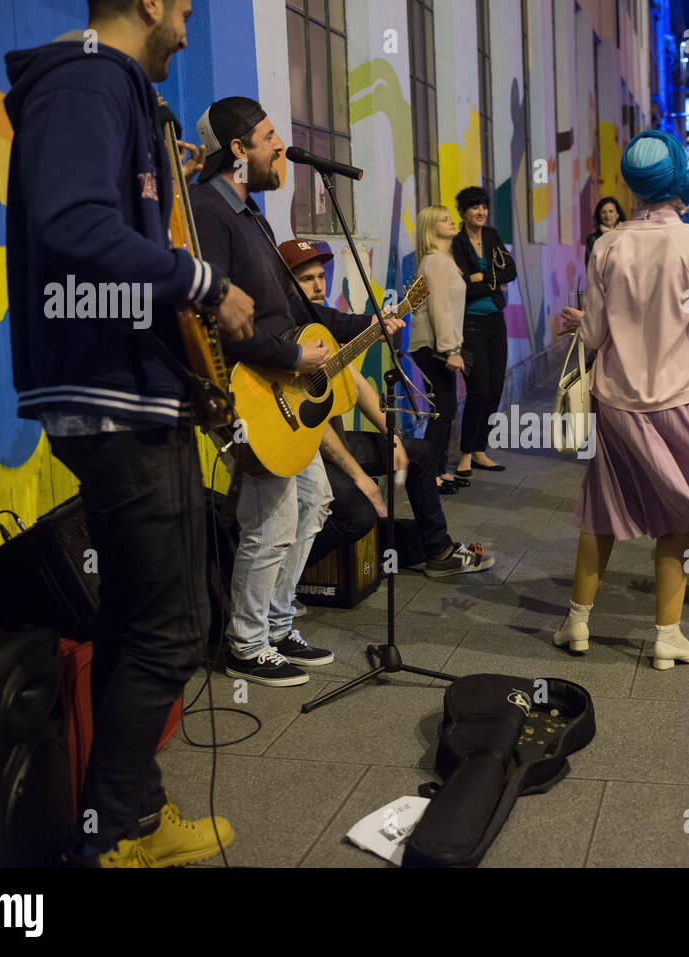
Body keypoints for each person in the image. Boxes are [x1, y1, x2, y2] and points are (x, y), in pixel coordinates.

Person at [4, 0, 255, 867]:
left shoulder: (107, 87)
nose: (187, 27)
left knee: (134, 617)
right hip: (117, 396)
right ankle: (110, 836)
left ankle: (130, 817)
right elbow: (71, 225)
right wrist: (204, 282)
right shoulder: (87, 78)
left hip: (127, 392)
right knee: (175, 626)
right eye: (182, 9)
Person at [188, 97, 406, 688]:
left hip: (281, 389)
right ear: (238, 150)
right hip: (249, 395)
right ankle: (245, 645)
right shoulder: (209, 212)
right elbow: (211, 319)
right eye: (268, 137)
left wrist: (365, 323)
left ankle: (278, 626)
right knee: (271, 522)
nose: (280, 146)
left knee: (314, 505)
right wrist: (290, 357)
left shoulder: (251, 216)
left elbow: (299, 313)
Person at [552, 131, 689, 669]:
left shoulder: (607, 245)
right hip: (680, 399)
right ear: (676, 180)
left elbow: (595, 335)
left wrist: (592, 321)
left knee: (600, 508)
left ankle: (577, 621)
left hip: (616, 400)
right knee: (677, 513)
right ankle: (667, 636)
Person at [280, 236, 495, 580]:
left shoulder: (321, 329)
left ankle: (439, 552)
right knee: (359, 514)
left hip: (333, 442)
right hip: (305, 451)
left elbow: (358, 386)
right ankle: (286, 580)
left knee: (420, 452)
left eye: (321, 276)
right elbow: (316, 430)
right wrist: (359, 475)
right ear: (286, 285)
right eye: (307, 279)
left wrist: (392, 437)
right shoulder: (286, 336)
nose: (319, 286)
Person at [450, 186, 517, 477]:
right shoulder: (457, 243)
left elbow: (510, 272)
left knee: (495, 391)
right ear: (463, 212)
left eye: (484, 206)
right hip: (470, 325)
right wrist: (492, 281)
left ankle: (480, 450)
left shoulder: (491, 236)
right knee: (478, 390)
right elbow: (462, 286)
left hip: (495, 321)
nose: (481, 211)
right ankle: (465, 454)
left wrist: (483, 276)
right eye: (475, 207)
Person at [410, 206, 469, 493]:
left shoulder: (443, 260)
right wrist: (450, 350)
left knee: (445, 409)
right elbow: (439, 308)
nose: (452, 221)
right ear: (431, 228)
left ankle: (440, 470)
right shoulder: (435, 261)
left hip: (438, 345)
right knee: (442, 410)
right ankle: (428, 477)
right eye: (444, 219)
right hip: (432, 346)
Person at [583, 196, 626, 268]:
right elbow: (590, 267)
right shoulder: (592, 239)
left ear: (617, 214)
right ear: (599, 216)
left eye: (611, 211)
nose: (607, 215)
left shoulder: (626, 234)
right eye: (603, 212)